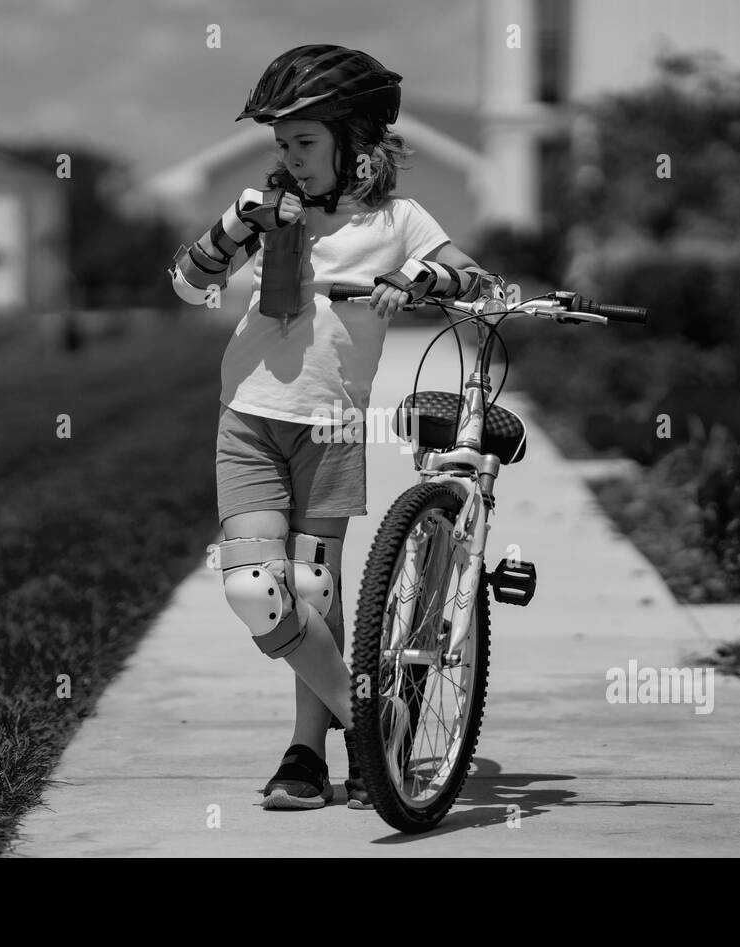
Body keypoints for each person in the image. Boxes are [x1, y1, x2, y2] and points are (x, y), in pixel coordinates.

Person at [168, 44, 494, 811]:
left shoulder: (398, 219)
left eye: (304, 142)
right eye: (282, 144)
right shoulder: (267, 212)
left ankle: (305, 756)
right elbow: (188, 285)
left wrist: (419, 278)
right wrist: (231, 228)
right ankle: (370, 725)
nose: (290, 158)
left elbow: (471, 277)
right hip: (248, 418)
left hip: (330, 426)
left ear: (354, 141)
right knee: (256, 589)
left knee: (313, 590)